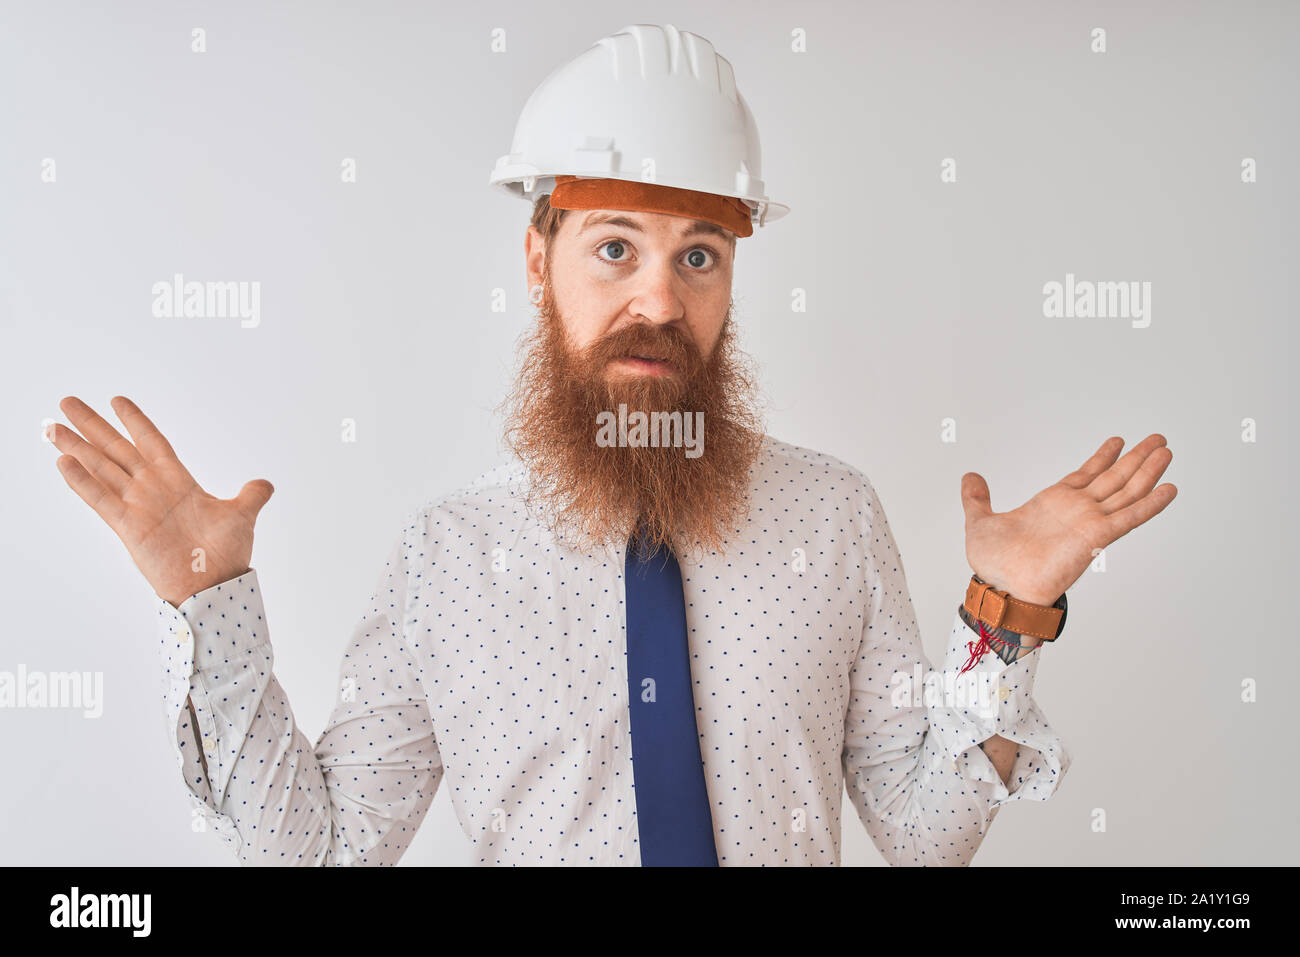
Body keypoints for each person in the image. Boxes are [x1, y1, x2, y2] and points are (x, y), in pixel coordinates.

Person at [47, 24, 1176, 866]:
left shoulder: (830, 517)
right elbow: (323, 848)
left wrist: (1005, 614)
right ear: (537, 258)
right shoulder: (446, 557)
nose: (658, 299)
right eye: (614, 247)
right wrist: (214, 607)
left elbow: (925, 834)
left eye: (699, 255)